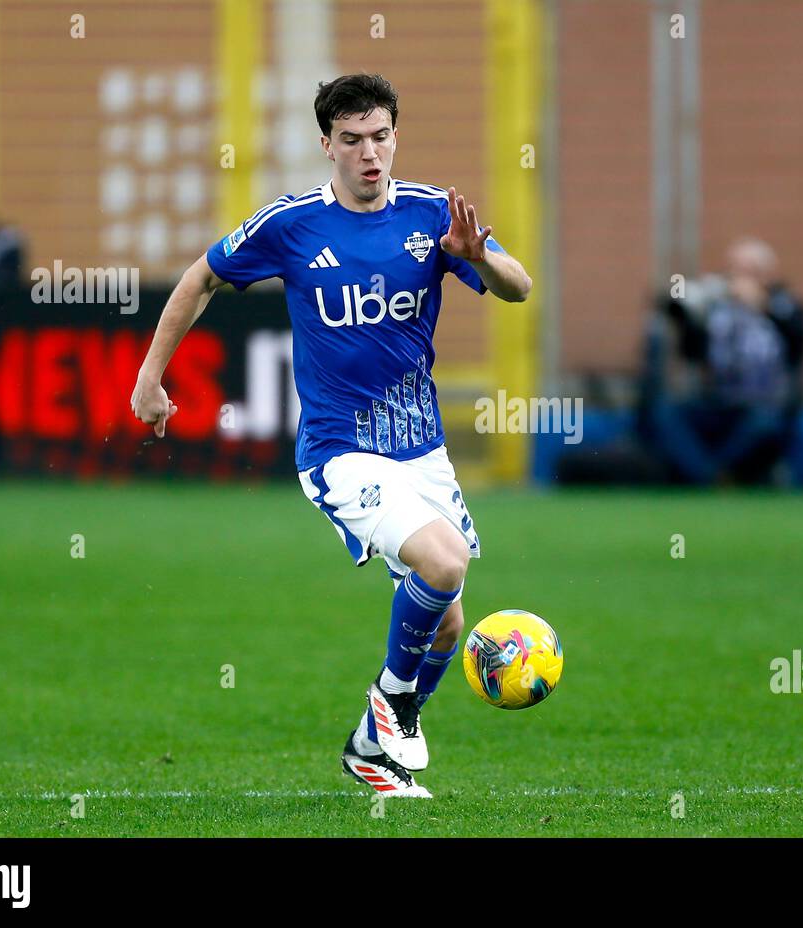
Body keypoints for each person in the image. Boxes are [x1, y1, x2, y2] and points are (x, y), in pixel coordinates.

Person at [130, 74, 532, 797]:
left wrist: (477, 257)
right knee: (444, 564)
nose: (369, 153)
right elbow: (200, 279)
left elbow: (519, 287)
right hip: (340, 451)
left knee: (447, 624)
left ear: (395, 136)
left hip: (422, 450)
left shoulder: (434, 214)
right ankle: (393, 706)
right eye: (352, 140)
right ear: (327, 145)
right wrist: (150, 377)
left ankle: (370, 748)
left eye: (380, 136)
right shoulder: (292, 224)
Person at [638, 237, 803, 485]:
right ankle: (711, 476)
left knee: (764, 423)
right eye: (734, 269)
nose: (739, 278)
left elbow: (798, 344)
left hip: (762, 405)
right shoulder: (718, 309)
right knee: (664, 413)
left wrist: (763, 305)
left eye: (749, 271)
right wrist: (689, 319)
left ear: (767, 275)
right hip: (719, 402)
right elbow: (690, 354)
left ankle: (716, 474)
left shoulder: (787, 307)